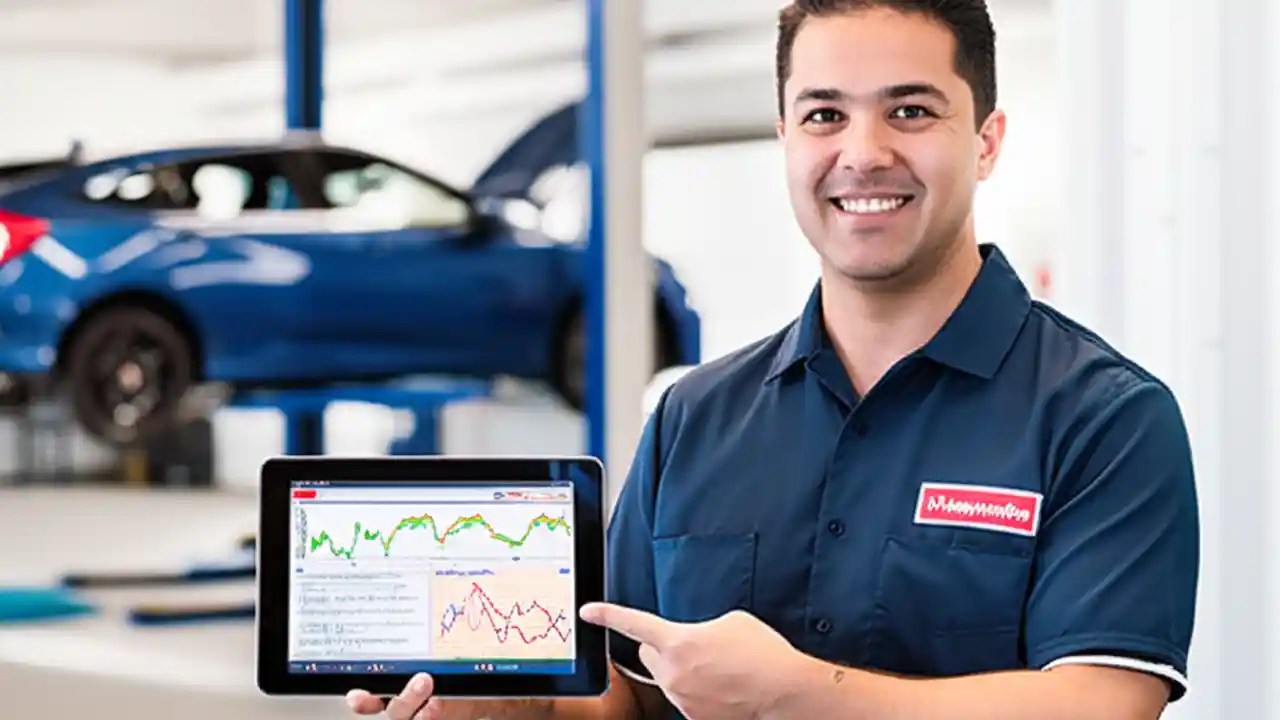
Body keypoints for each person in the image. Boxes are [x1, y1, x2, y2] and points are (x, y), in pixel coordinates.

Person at [348, 1, 1199, 718]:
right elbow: (632, 694)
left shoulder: (1105, 415)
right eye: (825, 114)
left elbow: (1101, 703)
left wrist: (801, 690)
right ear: (787, 137)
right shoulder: (695, 413)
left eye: (910, 110)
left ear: (984, 140)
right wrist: (506, 703)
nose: (862, 153)